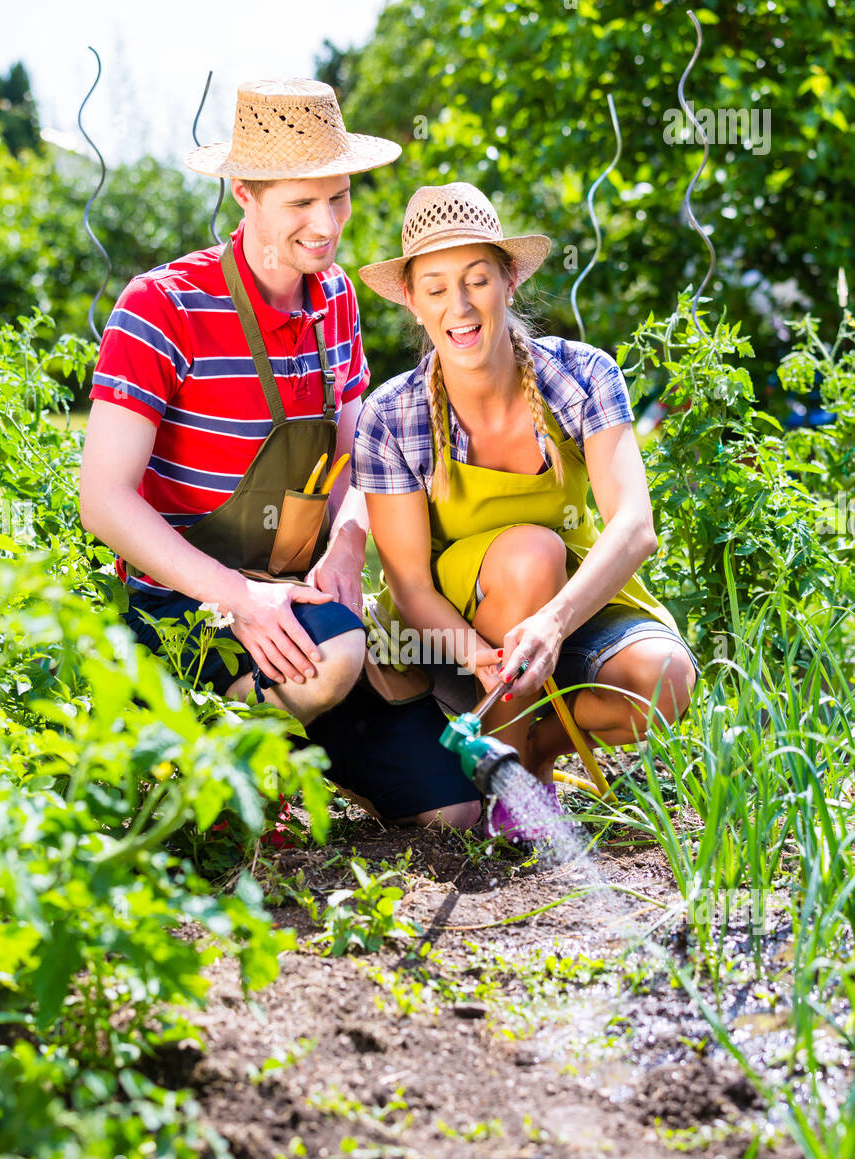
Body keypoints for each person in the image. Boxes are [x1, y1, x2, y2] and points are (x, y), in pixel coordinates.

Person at [79, 82, 480, 830]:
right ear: (244, 192)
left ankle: (290, 741)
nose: (326, 225)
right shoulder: (165, 305)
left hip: (297, 598)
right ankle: (213, 762)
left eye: (340, 197)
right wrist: (239, 597)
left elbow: (356, 460)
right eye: (301, 203)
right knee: (335, 657)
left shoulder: (334, 300)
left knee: (453, 808)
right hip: (180, 609)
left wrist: (350, 537)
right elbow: (103, 499)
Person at [352, 182, 700, 838]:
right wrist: (477, 654)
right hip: (446, 637)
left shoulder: (584, 375)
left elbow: (634, 525)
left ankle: (537, 749)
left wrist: (552, 623)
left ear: (509, 279)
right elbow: (408, 584)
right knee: (529, 553)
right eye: (435, 287)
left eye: (477, 279)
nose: (460, 305)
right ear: (412, 302)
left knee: (667, 678)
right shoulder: (390, 414)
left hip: (562, 606)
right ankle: (510, 783)